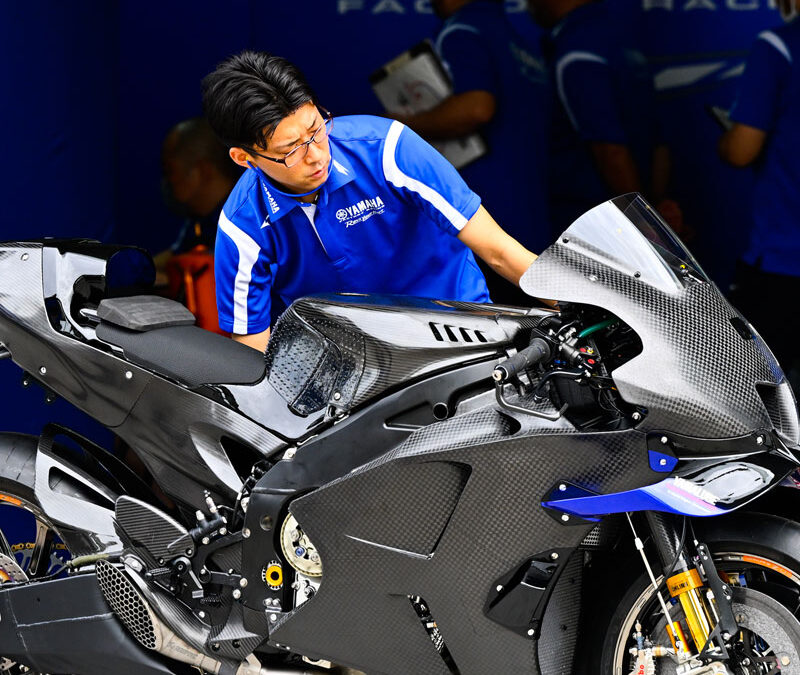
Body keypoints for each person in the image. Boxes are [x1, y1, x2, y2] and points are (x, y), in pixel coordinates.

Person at [201, 51, 539, 353]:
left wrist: (583, 310)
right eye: (291, 150)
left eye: (317, 129)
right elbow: (251, 349)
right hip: (347, 373)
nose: (317, 155)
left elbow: (500, 251)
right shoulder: (242, 225)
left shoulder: (388, 149)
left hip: (460, 335)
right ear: (244, 158)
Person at [395, 0, 551, 304]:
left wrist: (401, 125)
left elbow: (477, 108)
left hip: (486, 217)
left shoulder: (462, 30)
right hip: (533, 213)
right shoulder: (518, 40)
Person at [528, 0, 682, 234]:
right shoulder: (620, 40)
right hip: (627, 212)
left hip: (596, 221)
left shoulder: (577, 49)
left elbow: (609, 150)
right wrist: (655, 210)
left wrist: (642, 222)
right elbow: (658, 142)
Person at [718, 0, 800, 376]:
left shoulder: (780, 45)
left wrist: (726, 138)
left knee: (766, 396)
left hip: (784, 259)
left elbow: (740, 150)